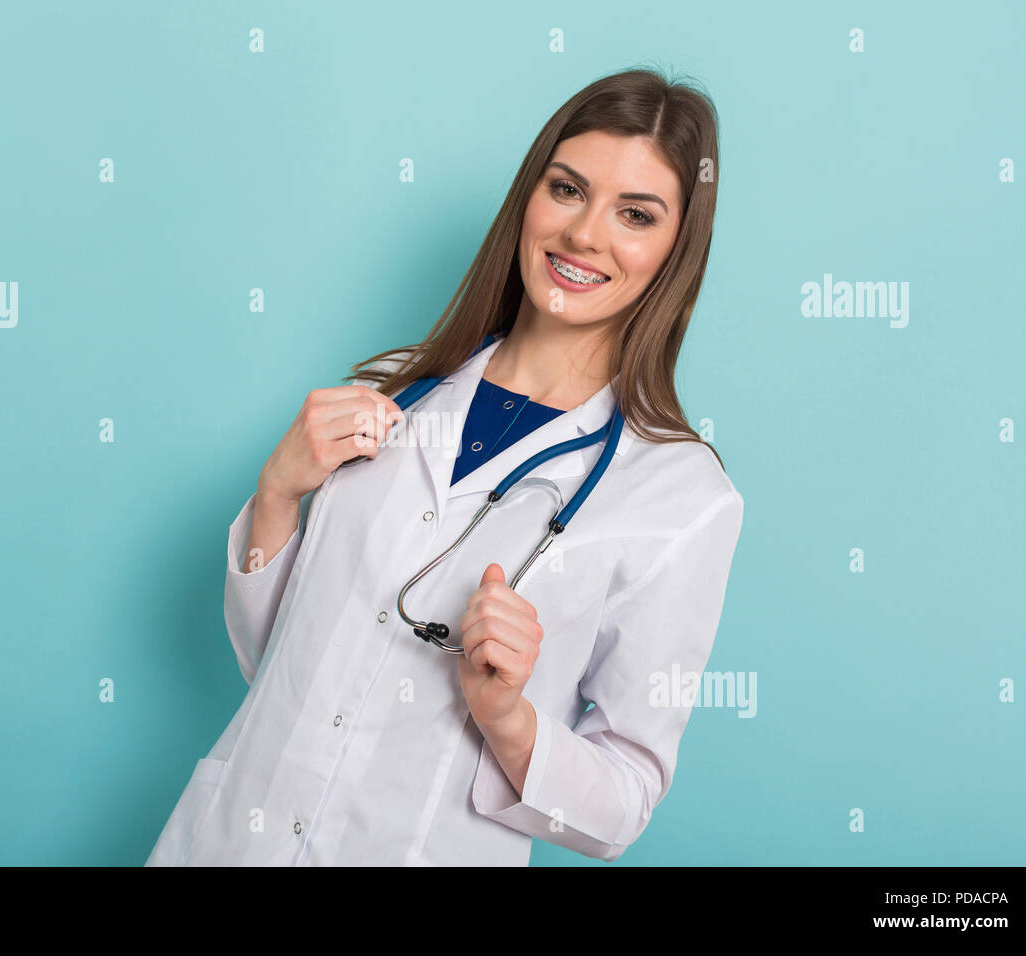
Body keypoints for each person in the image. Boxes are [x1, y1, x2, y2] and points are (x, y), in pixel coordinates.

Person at [146, 67, 745, 866]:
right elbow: (278, 669)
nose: (585, 235)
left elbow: (623, 802)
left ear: (675, 250)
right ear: (529, 200)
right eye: (567, 190)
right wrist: (277, 495)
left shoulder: (681, 497)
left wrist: (509, 719)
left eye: (635, 214)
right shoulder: (387, 391)